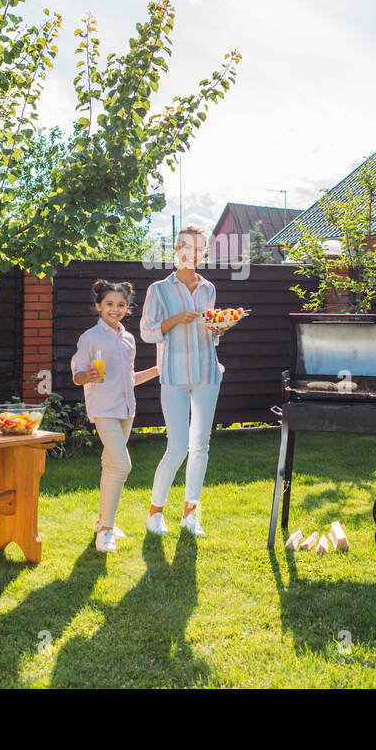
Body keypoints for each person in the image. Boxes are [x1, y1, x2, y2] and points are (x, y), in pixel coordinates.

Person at [139, 225, 232, 537]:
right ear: (176, 250)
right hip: (175, 376)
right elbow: (147, 332)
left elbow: (209, 332)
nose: (193, 255)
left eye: (199, 249)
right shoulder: (159, 289)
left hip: (206, 373)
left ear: (204, 253)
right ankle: (155, 514)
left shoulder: (208, 289)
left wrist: (216, 330)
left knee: (200, 446)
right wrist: (173, 320)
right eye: (187, 248)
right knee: (177, 447)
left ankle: (190, 514)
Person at [70, 279, 159, 553]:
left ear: (127, 308)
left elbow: (129, 378)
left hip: (126, 409)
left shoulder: (129, 339)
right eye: (109, 304)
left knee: (111, 464)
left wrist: (158, 369)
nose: (115, 309)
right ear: (98, 306)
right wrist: (88, 375)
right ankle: (106, 531)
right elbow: (77, 375)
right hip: (103, 408)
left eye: (120, 305)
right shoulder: (90, 337)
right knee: (122, 465)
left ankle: (103, 522)